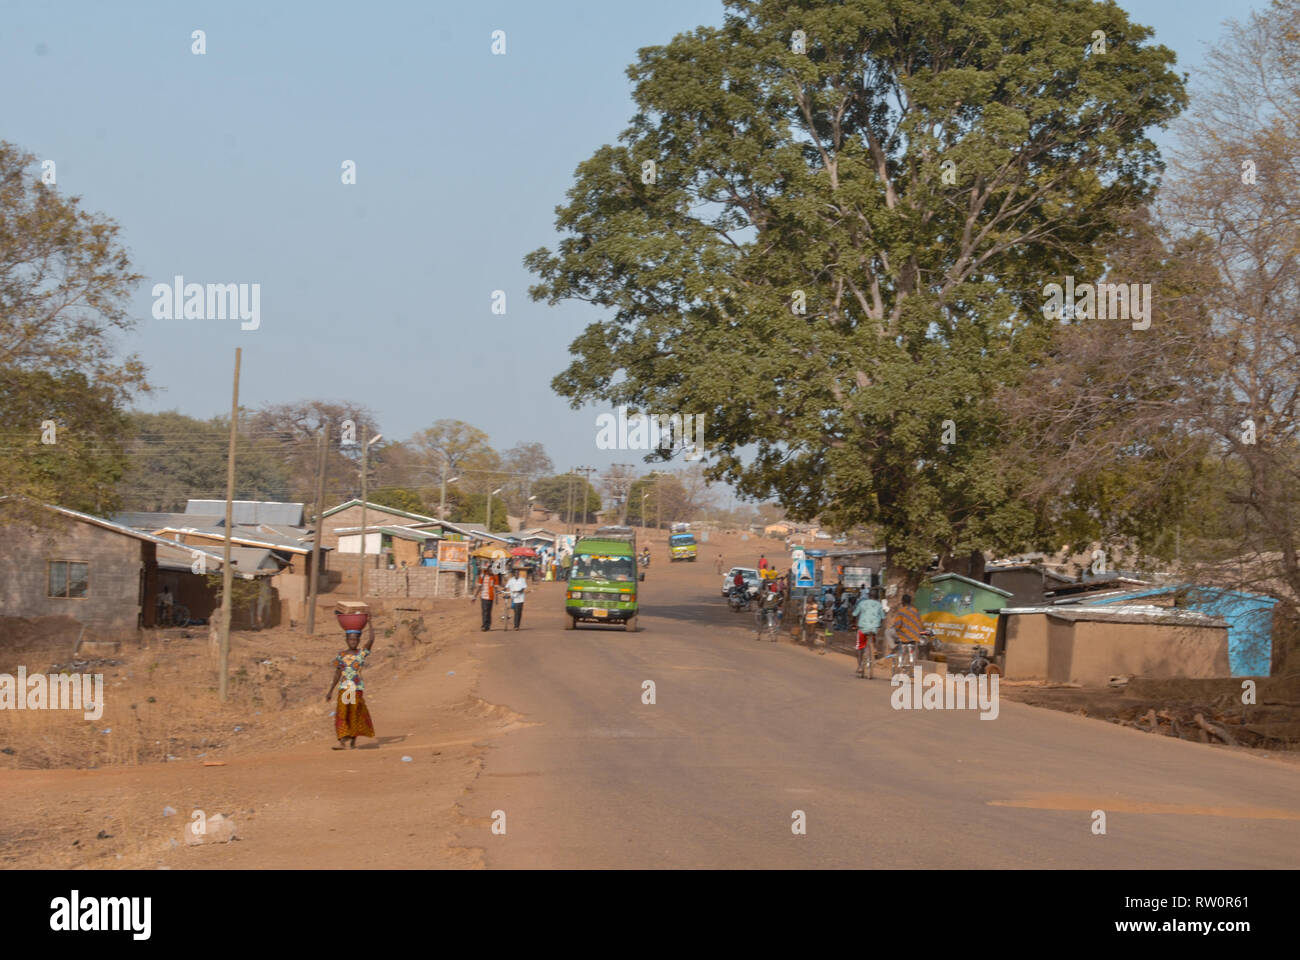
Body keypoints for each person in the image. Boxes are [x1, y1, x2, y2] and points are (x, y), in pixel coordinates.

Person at [325, 620, 377, 749]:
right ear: (346, 640)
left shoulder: (361, 654)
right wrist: (330, 691)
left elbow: (371, 640)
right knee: (342, 713)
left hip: (356, 688)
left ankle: (353, 739)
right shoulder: (341, 655)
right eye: (350, 639)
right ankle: (342, 741)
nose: (353, 641)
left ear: (358, 641)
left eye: (355, 640)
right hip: (344, 688)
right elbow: (337, 673)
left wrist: (369, 622)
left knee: (354, 713)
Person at [852, 588, 885, 677]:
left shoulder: (862, 603)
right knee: (873, 637)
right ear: (877, 596)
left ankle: (859, 666)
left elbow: (854, 614)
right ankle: (874, 649)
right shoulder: (879, 605)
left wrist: (854, 624)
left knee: (859, 647)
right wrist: (879, 626)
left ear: (869, 595)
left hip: (862, 628)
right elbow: (882, 617)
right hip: (874, 629)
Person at [892, 592, 923, 657]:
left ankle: (893, 647)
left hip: (904, 637)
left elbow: (897, 625)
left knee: (887, 632)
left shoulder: (901, 611)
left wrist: (896, 629)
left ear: (903, 602)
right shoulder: (915, 610)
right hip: (916, 636)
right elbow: (920, 623)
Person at [472, 565, 498, 631]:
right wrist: (475, 596)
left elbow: (496, 588)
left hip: (491, 597)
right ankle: (483, 625)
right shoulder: (482, 576)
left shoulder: (495, 576)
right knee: (484, 611)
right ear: (488, 570)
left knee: (489, 612)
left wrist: (496, 598)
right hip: (483, 596)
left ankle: (488, 625)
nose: (492, 571)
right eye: (491, 570)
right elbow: (479, 587)